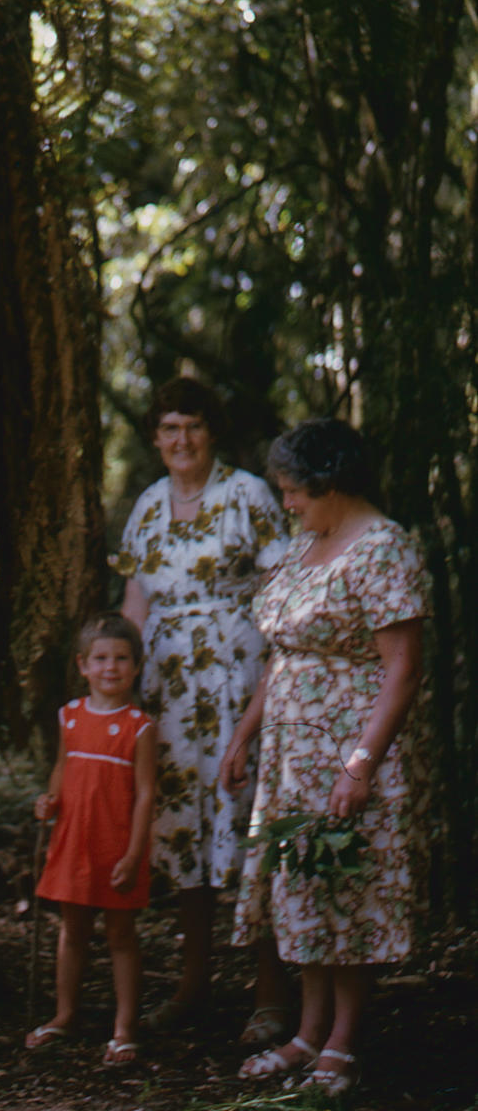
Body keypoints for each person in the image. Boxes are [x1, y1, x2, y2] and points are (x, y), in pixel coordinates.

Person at [222, 418, 429, 1095]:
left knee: (346, 890)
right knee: (302, 891)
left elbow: (401, 667)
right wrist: (244, 734)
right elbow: (284, 655)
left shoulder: (382, 547)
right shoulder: (303, 544)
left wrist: (359, 763)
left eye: (292, 490)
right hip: (289, 756)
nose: (285, 503)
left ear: (329, 482)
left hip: (346, 748)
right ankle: (305, 1034)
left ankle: (342, 1042)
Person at [116, 375, 290, 1039]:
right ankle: (193, 987)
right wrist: (123, 697)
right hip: (166, 690)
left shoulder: (247, 494)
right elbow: (136, 603)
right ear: (155, 439)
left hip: (237, 681)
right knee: (182, 832)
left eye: (191, 425)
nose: (180, 439)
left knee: (246, 823)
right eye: (168, 429)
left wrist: (276, 675)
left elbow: (281, 590)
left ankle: (268, 994)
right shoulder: (149, 504)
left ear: (209, 431)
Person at [25, 614, 157, 1068]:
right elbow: (63, 766)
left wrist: (135, 852)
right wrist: (50, 799)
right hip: (73, 839)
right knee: (73, 930)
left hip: (116, 845)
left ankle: (124, 1028)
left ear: (136, 667)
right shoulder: (71, 716)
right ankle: (64, 1014)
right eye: (101, 658)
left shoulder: (139, 725)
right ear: (83, 665)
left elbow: (145, 795)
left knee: (121, 935)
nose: (111, 667)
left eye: (122, 659)